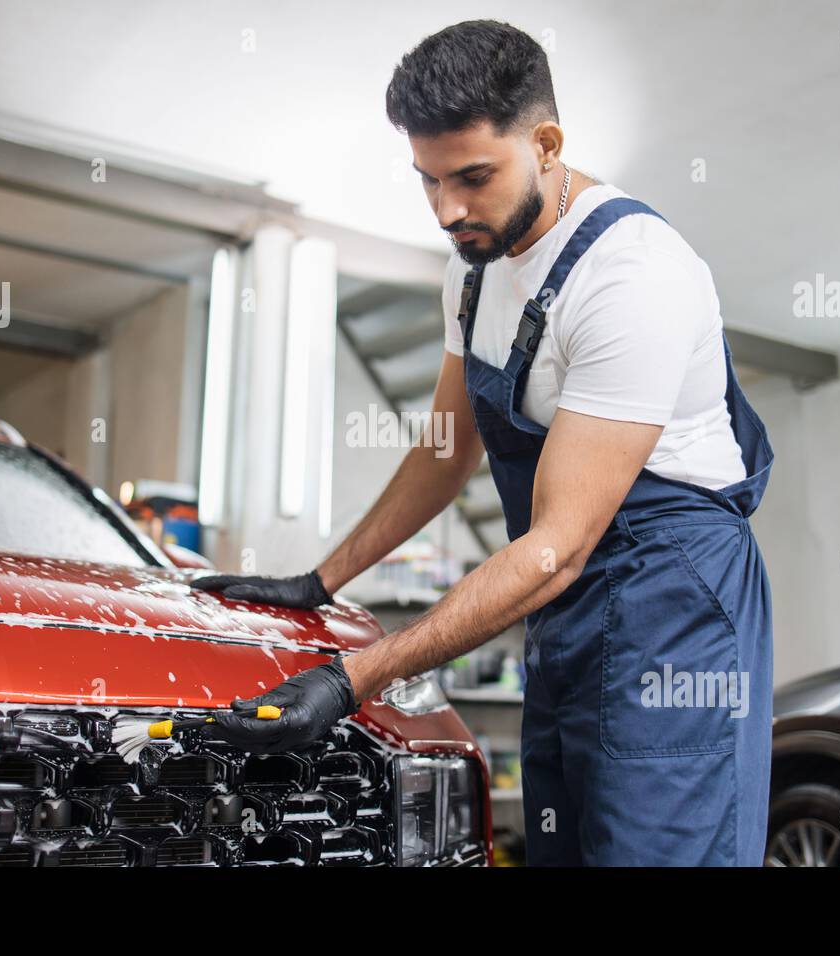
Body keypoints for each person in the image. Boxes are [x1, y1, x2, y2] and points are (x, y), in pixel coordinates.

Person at [195, 18, 775, 866]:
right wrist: (320, 578)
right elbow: (444, 451)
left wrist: (356, 677)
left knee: (654, 849)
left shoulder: (634, 275)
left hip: (672, 603)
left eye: (472, 177)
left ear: (545, 143)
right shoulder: (470, 271)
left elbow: (556, 546)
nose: (447, 210)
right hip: (566, 603)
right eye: (428, 180)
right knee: (564, 844)